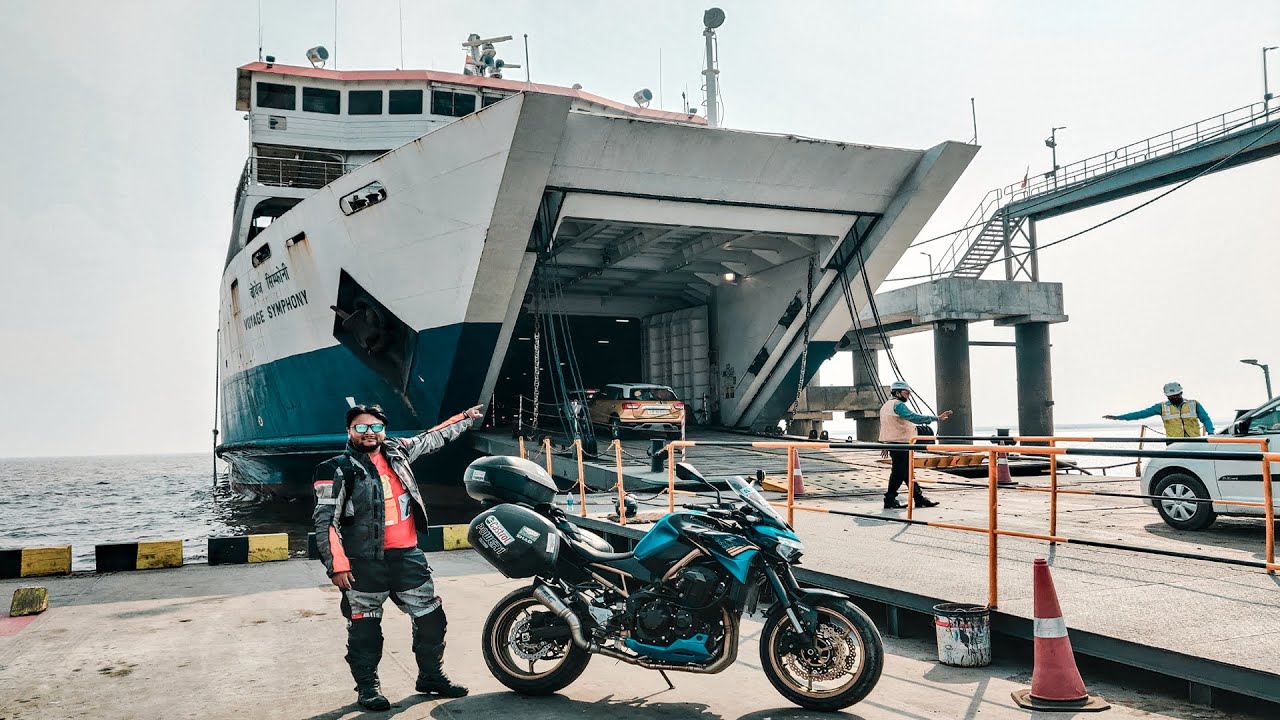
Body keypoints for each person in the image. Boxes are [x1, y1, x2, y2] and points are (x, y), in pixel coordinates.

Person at [313, 402, 484, 711]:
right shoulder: (335, 469)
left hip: (407, 555)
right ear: (349, 431)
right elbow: (326, 521)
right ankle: (368, 688)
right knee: (365, 628)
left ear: (384, 430)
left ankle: (430, 676)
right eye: (361, 427)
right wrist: (337, 565)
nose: (369, 433)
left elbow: (431, 437)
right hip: (363, 562)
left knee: (432, 618)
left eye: (375, 427)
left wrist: (465, 419)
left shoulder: (398, 452)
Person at [878, 381, 952, 509]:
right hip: (901, 444)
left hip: (894, 443)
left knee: (906, 472)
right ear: (897, 393)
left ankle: (918, 498)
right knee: (899, 472)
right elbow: (913, 417)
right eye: (906, 393)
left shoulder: (886, 406)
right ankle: (890, 499)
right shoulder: (898, 405)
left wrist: (885, 444)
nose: (908, 396)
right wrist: (936, 418)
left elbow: (885, 426)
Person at [1103, 382, 1214, 437]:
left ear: (1181, 393)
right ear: (1166, 396)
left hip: (1194, 441)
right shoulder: (1161, 407)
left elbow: (1205, 419)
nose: (1174, 397)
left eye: (1176, 395)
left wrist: (1211, 433)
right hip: (1173, 443)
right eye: (1171, 396)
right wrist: (1119, 417)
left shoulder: (1193, 404)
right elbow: (1140, 414)